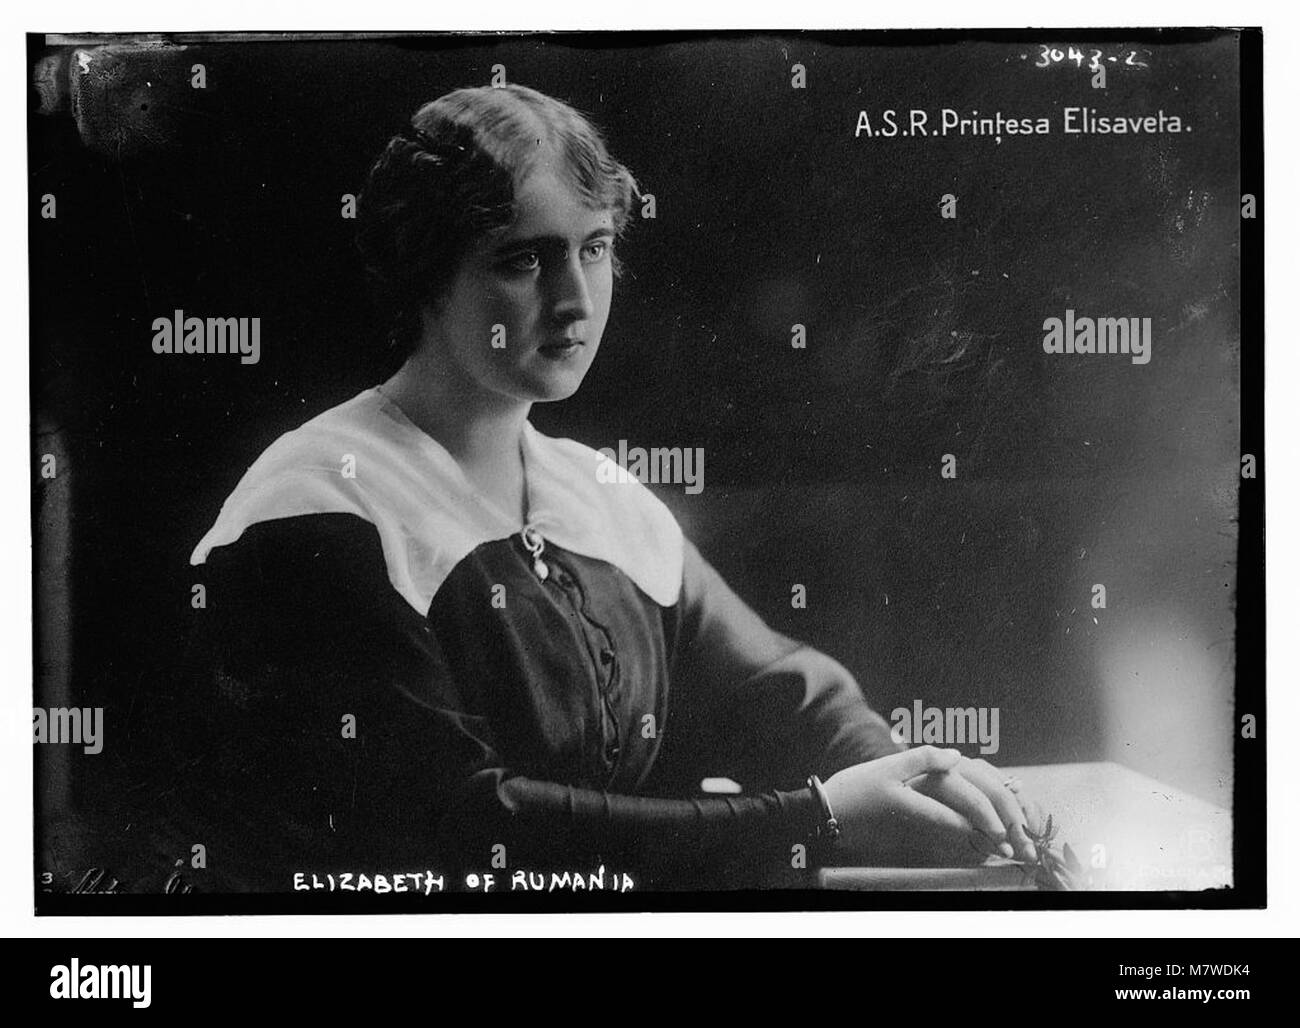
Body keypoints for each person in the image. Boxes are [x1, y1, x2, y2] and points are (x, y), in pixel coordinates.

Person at [177, 83, 1042, 892]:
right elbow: (459, 828)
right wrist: (817, 822)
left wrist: (914, 774)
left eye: (593, 250)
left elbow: (784, 689)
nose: (574, 301)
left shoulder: (596, 495)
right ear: (424, 275)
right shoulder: (317, 503)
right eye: (524, 261)